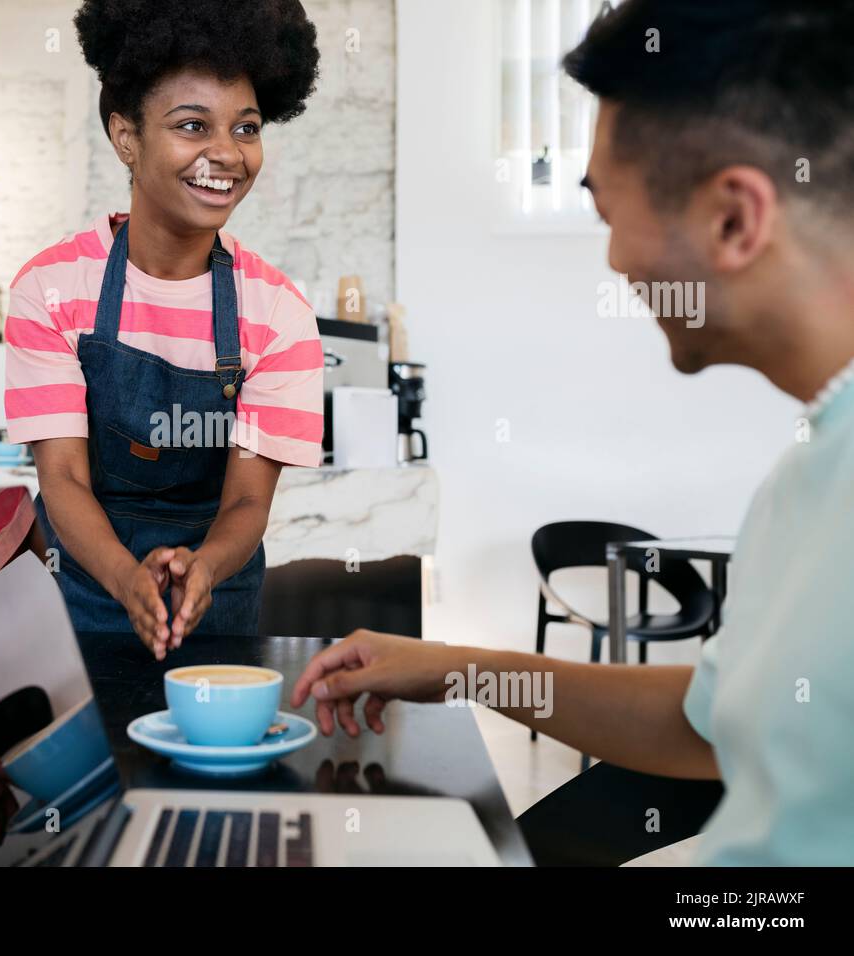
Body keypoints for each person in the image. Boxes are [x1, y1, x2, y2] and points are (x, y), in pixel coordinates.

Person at [293, 0, 854, 865]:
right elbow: (708, 728)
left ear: (734, 220)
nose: (615, 261)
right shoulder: (803, 483)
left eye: (608, 214)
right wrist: (450, 666)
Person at [4, 0, 324, 660]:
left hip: (215, 597)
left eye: (246, 128)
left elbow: (245, 504)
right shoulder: (52, 287)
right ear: (127, 137)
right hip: (81, 597)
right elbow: (62, 478)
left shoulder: (278, 312)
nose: (226, 154)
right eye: (191, 125)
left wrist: (203, 568)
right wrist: (125, 579)